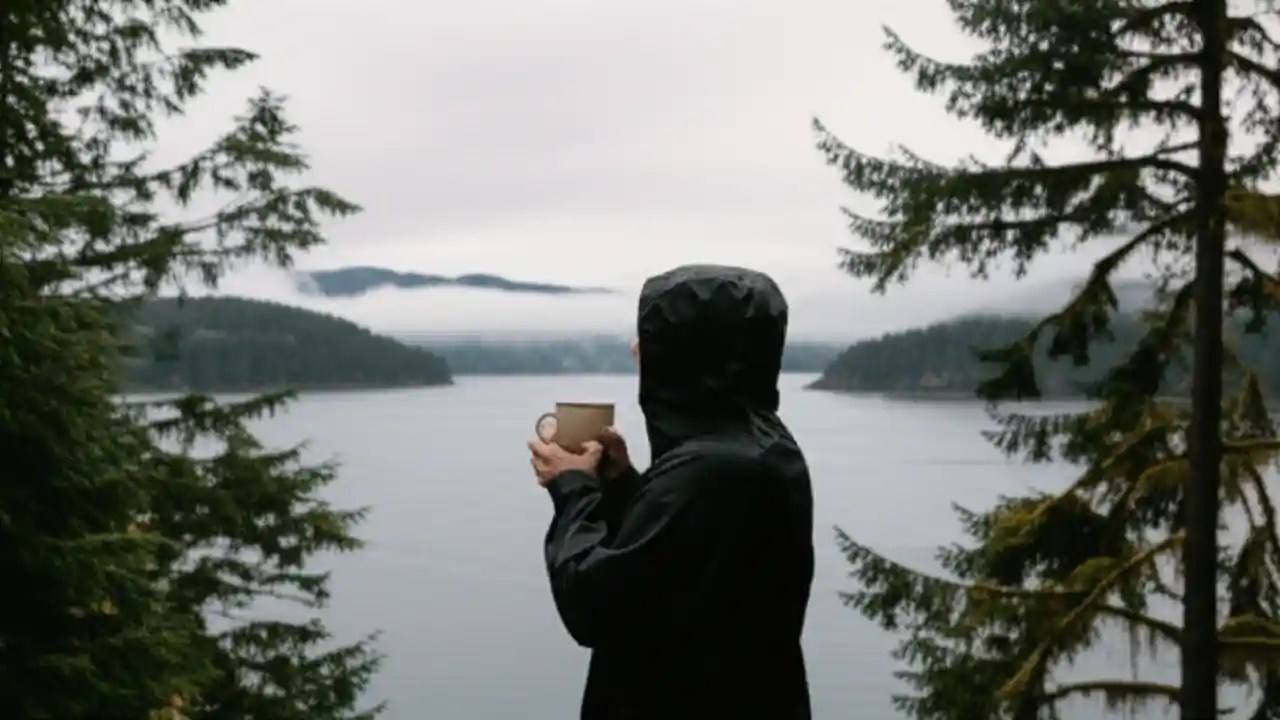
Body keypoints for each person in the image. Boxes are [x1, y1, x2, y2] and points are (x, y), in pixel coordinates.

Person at [527, 264, 815, 719]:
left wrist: (572, 489)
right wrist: (621, 483)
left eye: (652, 338)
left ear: (687, 355)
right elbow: (679, 563)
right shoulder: (760, 446)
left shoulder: (713, 470)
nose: (635, 349)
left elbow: (594, 604)